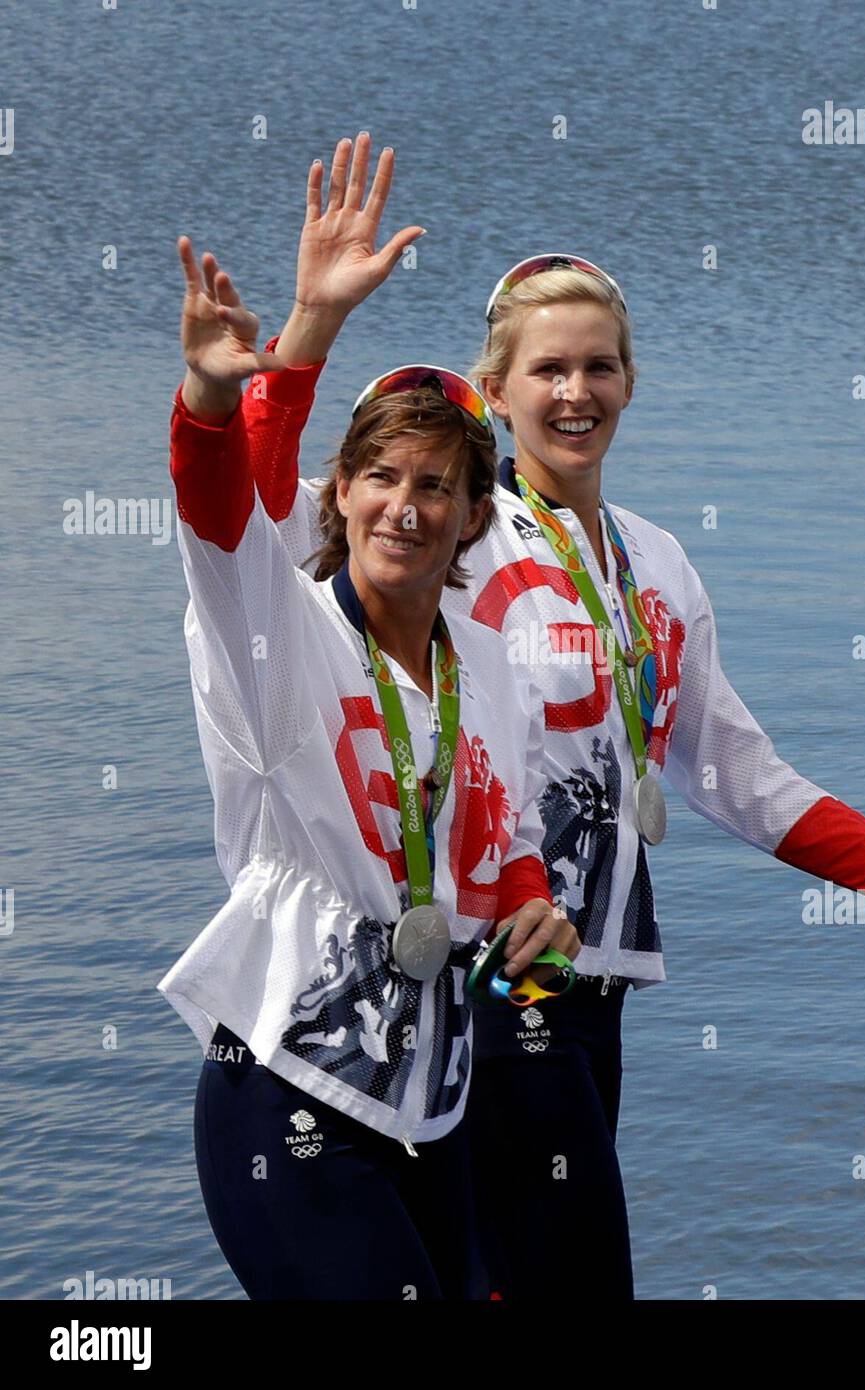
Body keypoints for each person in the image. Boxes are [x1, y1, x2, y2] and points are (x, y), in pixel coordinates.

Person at [237, 132, 865, 1300]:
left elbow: (744, 777)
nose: (576, 393)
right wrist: (302, 337)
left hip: (596, 977)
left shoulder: (655, 563)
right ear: (497, 390)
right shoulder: (449, 538)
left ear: (631, 380)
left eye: (601, 366)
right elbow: (259, 543)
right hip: (480, 976)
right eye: (549, 369)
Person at [157, 215, 579, 1300]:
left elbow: (510, 835)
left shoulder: (488, 660)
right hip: (288, 1090)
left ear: (476, 515)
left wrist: (537, 907)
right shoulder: (279, 637)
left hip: (434, 1101)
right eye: (381, 476)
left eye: (438, 485)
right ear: (338, 493)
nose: (406, 504)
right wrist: (256, 366)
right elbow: (220, 511)